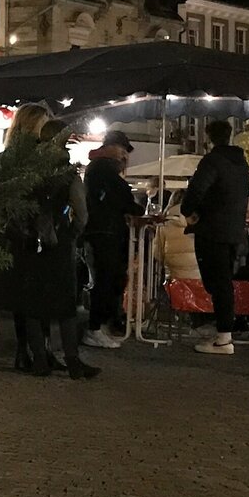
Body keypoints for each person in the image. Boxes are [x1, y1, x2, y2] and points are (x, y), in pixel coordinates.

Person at [0, 104, 99, 380]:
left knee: (32, 303)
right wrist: (73, 233)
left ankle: (39, 359)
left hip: (29, 240)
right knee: (65, 304)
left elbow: (11, 203)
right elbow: (81, 211)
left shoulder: (19, 163)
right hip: (58, 242)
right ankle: (72, 361)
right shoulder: (64, 170)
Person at [181, 119, 249, 356]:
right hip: (233, 230)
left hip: (211, 228)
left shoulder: (212, 161)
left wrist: (189, 211)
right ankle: (223, 332)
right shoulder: (241, 165)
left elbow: (197, 189)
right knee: (223, 281)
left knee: (217, 283)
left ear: (209, 136)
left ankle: (224, 337)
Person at [81, 130, 141, 348]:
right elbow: (123, 198)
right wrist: (136, 209)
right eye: (123, 149)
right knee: (106, 279)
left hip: (104, 230)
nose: (125, 155)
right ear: (111, 146)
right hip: (105, 231)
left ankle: (101, 324)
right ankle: (95, 327)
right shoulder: (103, 168)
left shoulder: (100, 168)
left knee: (109, 279)